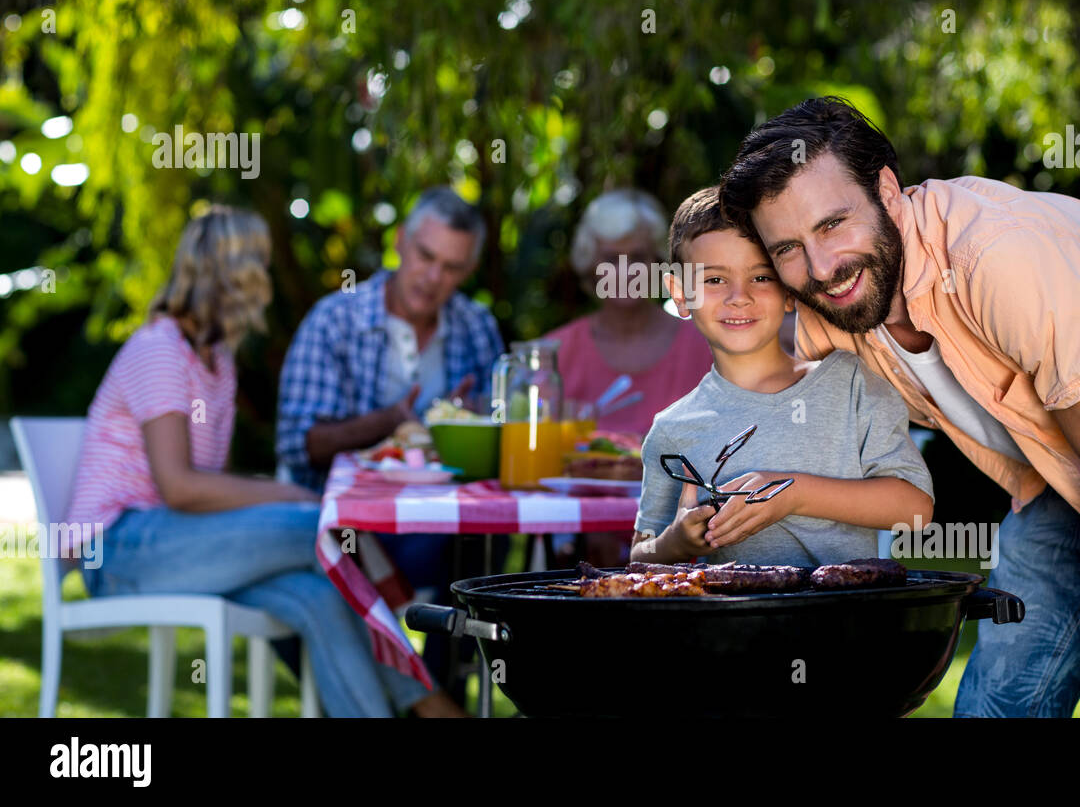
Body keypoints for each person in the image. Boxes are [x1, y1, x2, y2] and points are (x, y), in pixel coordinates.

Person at [718, 95, 1080, 717]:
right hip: (1062, 470)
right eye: (788, 249)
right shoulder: (839, 303)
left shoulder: (999, 258)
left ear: (888, 192)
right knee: (997, 706)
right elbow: (777, 416)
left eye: (833, 224)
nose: (822, 267)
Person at [65, 207, 460, 716]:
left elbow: (210, 488)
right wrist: (290, 494)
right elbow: (181, 488)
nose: (265, 284)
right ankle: (436, 707)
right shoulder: (159, 349)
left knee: (320, 595)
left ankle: (420, 708)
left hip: (174, 543)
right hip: (119, 551)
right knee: (319, 526)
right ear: (229, 273)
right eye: (259, 268)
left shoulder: (215, 361)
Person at [630, 187, 933, 567]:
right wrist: (675, 542)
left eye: (761, 278)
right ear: (679, 293)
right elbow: (640, 559)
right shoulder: (673, 430)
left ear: (791, 291)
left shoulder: (852, 384)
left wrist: (793, 494)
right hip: (732, 625)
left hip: (844, 623)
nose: (739, 297)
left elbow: (916, 509)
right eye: (714, 280)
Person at [276, 187, 504, 691]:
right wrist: (392, 419)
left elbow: (499, 438)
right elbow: (300, 443)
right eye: (426, 256)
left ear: (466, 271)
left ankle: (444, 690)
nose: (433, 277)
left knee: (482, 542)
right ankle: (424, 703)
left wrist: (469, 425)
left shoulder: (475, 325)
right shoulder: (335, 320)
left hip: (436, 525)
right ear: (400, 242)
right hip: (349, 529)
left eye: (452, 267)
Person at [547, 188, 714, 435]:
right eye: (611, 259)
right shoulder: (553, 355)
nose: (626, 272)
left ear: (658, 263)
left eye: (637, 257)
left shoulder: (707, 347)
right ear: (590, 265)